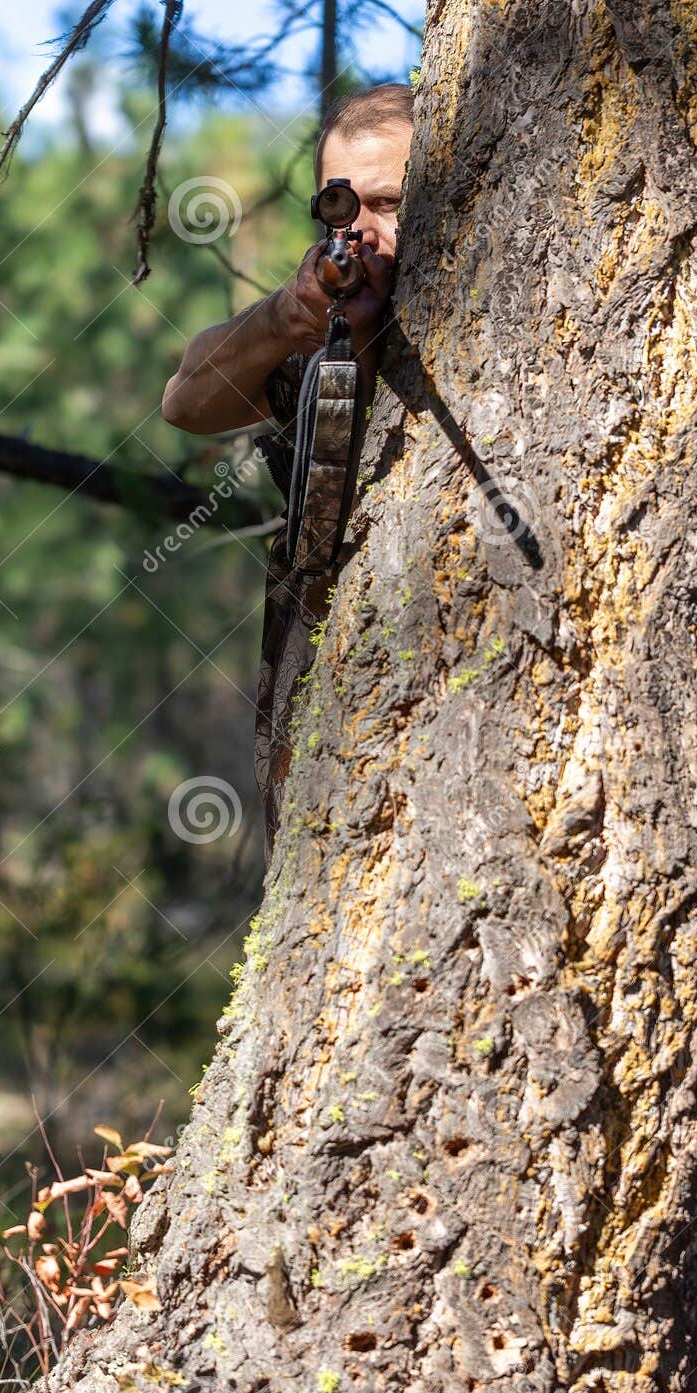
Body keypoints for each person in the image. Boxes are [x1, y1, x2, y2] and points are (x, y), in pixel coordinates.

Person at [161, 83, 414, 858]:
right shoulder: (319, 336)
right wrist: (287, 317)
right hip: (313, 744)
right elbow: (186, 399)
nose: (363, 232)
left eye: (390, 202)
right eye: (344, 206)